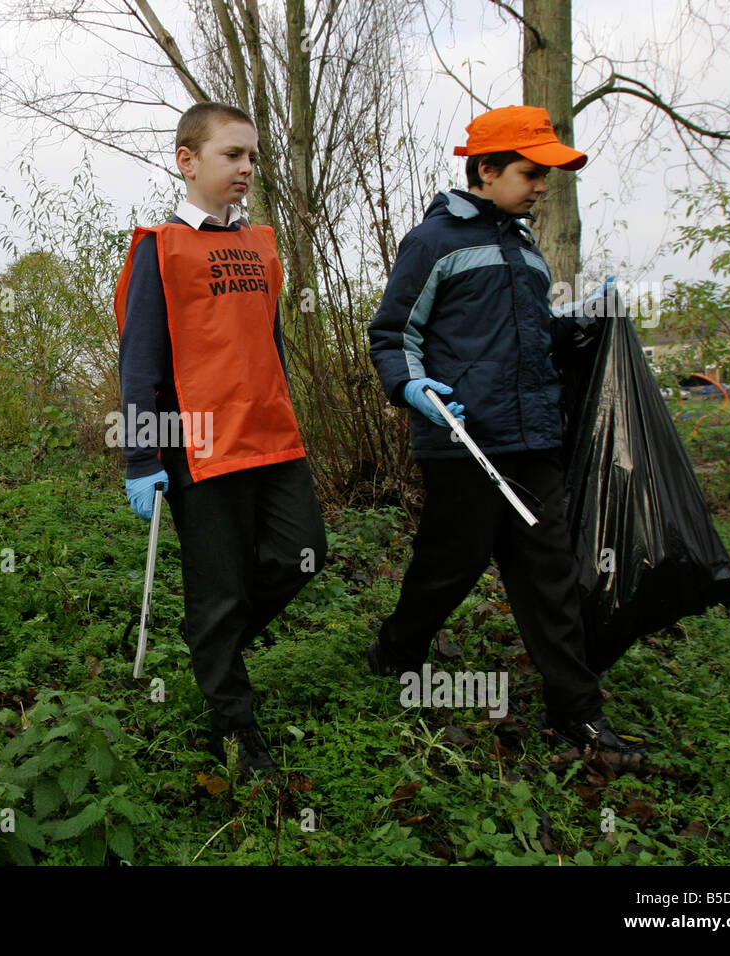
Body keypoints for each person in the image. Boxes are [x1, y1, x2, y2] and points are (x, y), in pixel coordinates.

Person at [366, 105, 645, 755]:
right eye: (531, 171)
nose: (542, 184)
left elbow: (529, 334)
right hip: (465, 440)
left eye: (547, 173)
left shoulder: (522, 246)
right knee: (450, 565)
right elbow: (393, 332)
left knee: (551, 572)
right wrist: (412, 389)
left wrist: (582, 320)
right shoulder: (433, 242)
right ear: (486, 170)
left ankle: (576, 713)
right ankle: (397, 648)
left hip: (533, 440)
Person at [115, 101, 328, 776]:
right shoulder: (162, 247)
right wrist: (141, 455)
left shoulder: (259, 245)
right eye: (233, 154)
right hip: (197, 446)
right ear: (188, 160)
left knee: (304, 553)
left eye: (253, 157)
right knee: (220, 587)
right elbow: (139, 359)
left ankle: (213, 643)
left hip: (270, 436)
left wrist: (289, 412)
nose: (246, 168)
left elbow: (268, 347)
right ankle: (234, 729)